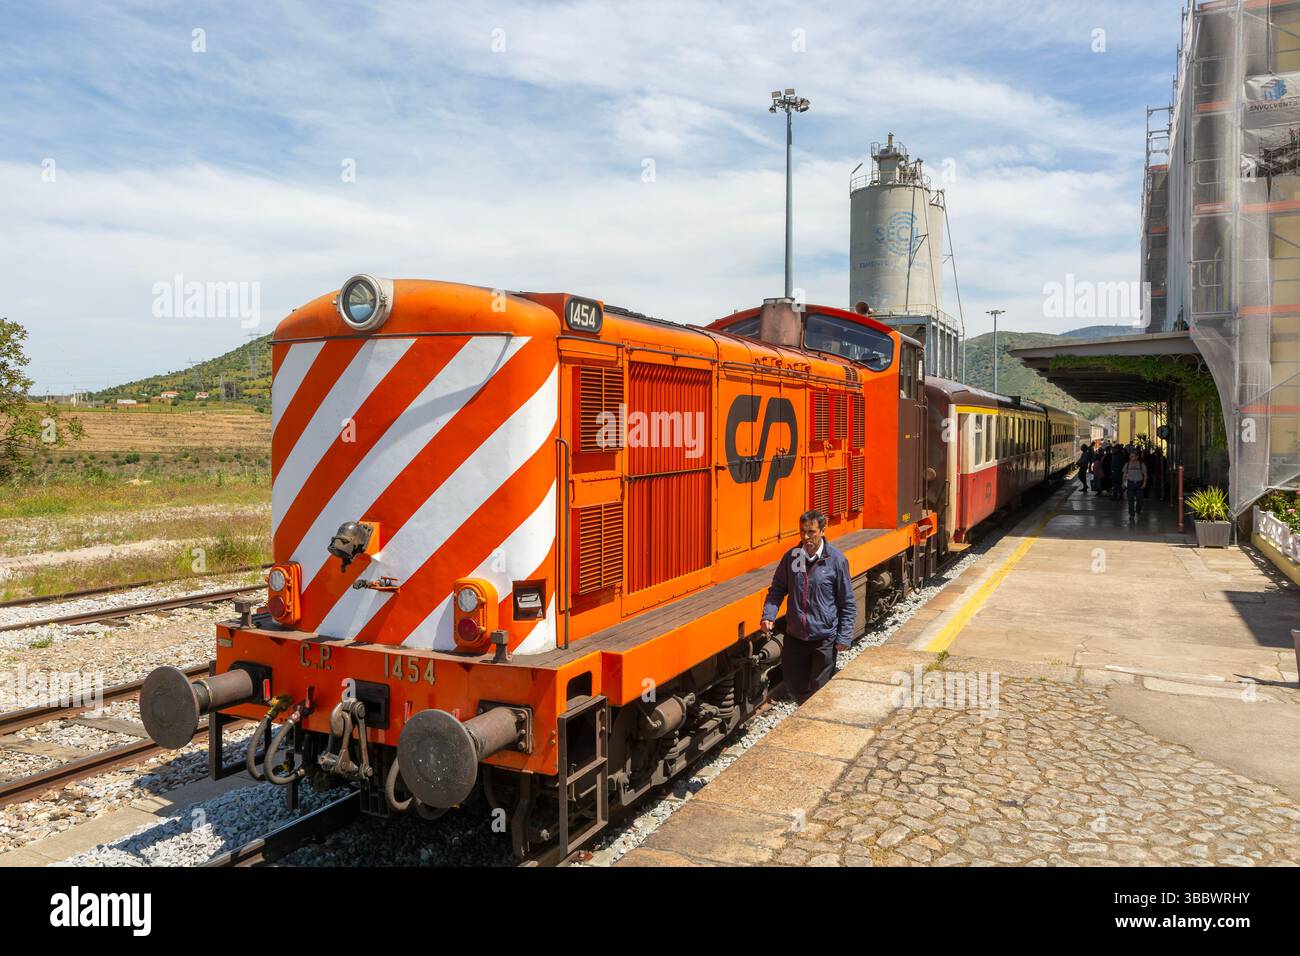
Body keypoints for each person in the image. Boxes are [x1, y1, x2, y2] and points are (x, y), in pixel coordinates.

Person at [760, 510, 857, 705]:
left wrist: (844, 636)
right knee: (793, 683)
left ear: (823, 530)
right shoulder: (792, 558)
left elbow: (847, 602)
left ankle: (813, 715)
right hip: (796, 636)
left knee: (819, 690)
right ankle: (806, 707)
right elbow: (777, 589)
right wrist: (768, 615)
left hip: (824, 638)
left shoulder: (836, 560)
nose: (806, 537)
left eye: (811, 532)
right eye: (802, 532)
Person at [1122, 449, 1148, 519]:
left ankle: (1138, 510)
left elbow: (1145, 474)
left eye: (1132, 456)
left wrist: (1144, 483)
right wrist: (1123, 483)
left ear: (1137, 457)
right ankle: (1131, 514)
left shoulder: (1141, 464)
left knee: (1140, 499)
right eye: (1130, 456)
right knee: (1130, 500)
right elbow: (1124, 474)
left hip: (1139, 484)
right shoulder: (1127, 464)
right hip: (1130, 483)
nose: (1131, 458)